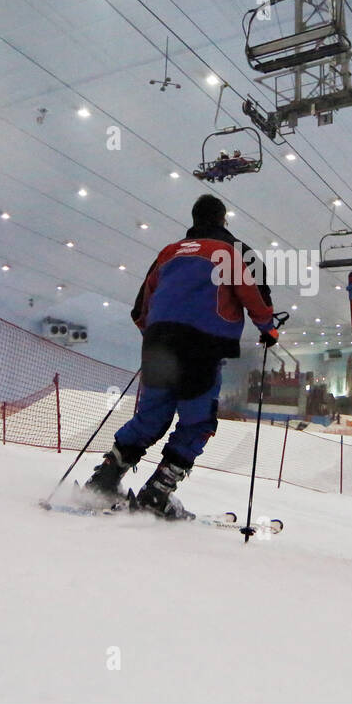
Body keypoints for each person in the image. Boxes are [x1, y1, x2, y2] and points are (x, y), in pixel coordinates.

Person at [81, 194, 277, 517]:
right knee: (197, 421)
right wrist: (268, 329)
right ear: (223, 220)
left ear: (195, 219)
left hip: (159, 343)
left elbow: (140, 308)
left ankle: (103, 480)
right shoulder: (234, 251)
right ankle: (156, 494)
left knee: (150, 417)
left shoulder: (169, 253)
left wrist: (159, 335)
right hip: (202, 345)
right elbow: (254, 294)